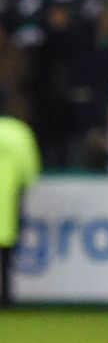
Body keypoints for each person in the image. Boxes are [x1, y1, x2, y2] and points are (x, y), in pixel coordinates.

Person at [0, 107, 40, 308]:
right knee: (5, 256)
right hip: (8, 200)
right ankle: (6, 297)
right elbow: (30, 171)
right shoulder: (19, 132)